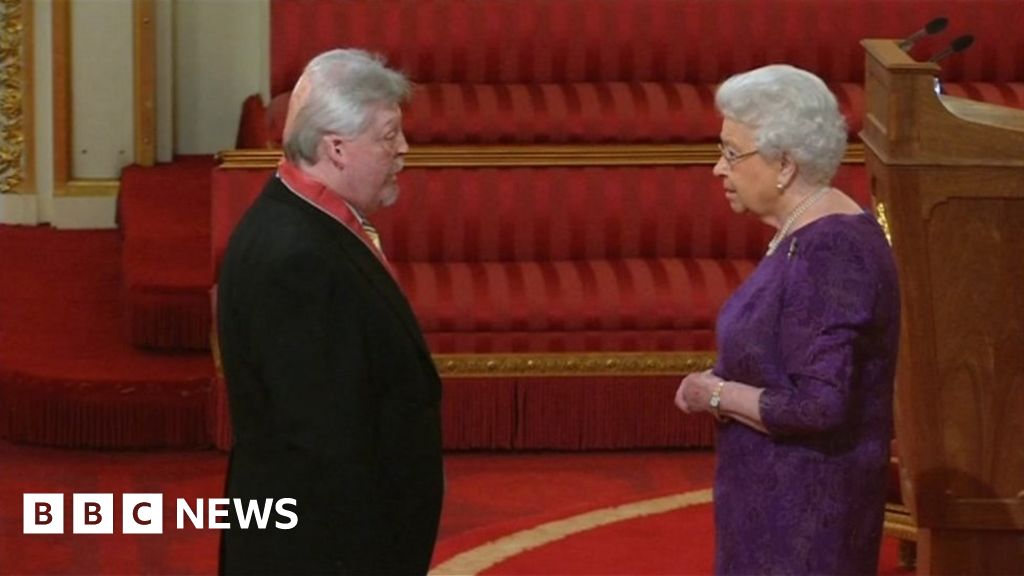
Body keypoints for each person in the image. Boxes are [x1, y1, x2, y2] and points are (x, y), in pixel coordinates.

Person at [217, 49, 444, 575]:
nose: (403, 149)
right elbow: (322, 447)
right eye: (388, 136)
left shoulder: (307, 222)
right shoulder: (297, 260)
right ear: (336, 148)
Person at [674, 64, 900, 575]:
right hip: (775, 514)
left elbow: (817, 407)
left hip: (804, 529)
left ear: (784, 165)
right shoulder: (806, 233)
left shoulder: (833, 252)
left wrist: (713, 393)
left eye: (733, 154)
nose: (718, 168)